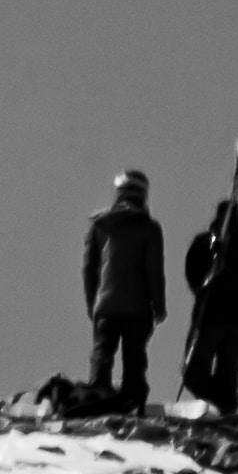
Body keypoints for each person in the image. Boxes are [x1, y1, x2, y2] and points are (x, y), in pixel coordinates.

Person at [176, 186, 238, 419]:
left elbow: (192, 273)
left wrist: (203, 290)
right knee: (228, 374)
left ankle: (218, 406)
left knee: (194, 371)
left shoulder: (207, 242)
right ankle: (225, 407)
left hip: (211, 316)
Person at [79, 170, 165, 409]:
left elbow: (89, 268)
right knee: (134, 358)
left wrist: (92, 304)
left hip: (105, 305)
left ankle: (97, 397)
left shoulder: (100, 225)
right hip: (138, 308)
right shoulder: (149, 228)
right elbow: (154, 271)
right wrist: (158, 305)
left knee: (102, 355)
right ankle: (132, 402)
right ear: (143, 194)